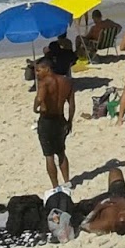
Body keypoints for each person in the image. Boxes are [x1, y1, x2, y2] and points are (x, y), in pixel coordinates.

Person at [33, 58, 74, 189]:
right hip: (60, 119)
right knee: (61, 152)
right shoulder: (66, 81)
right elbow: (72, 105)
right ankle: (67, 181)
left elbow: (40, 98)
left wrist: (35, 107)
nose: (36, 73)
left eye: (38, 70)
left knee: (49, 155)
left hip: (47, 120)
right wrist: (70, 121)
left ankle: (55, 186)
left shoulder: (44, 82)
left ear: (47, 69)